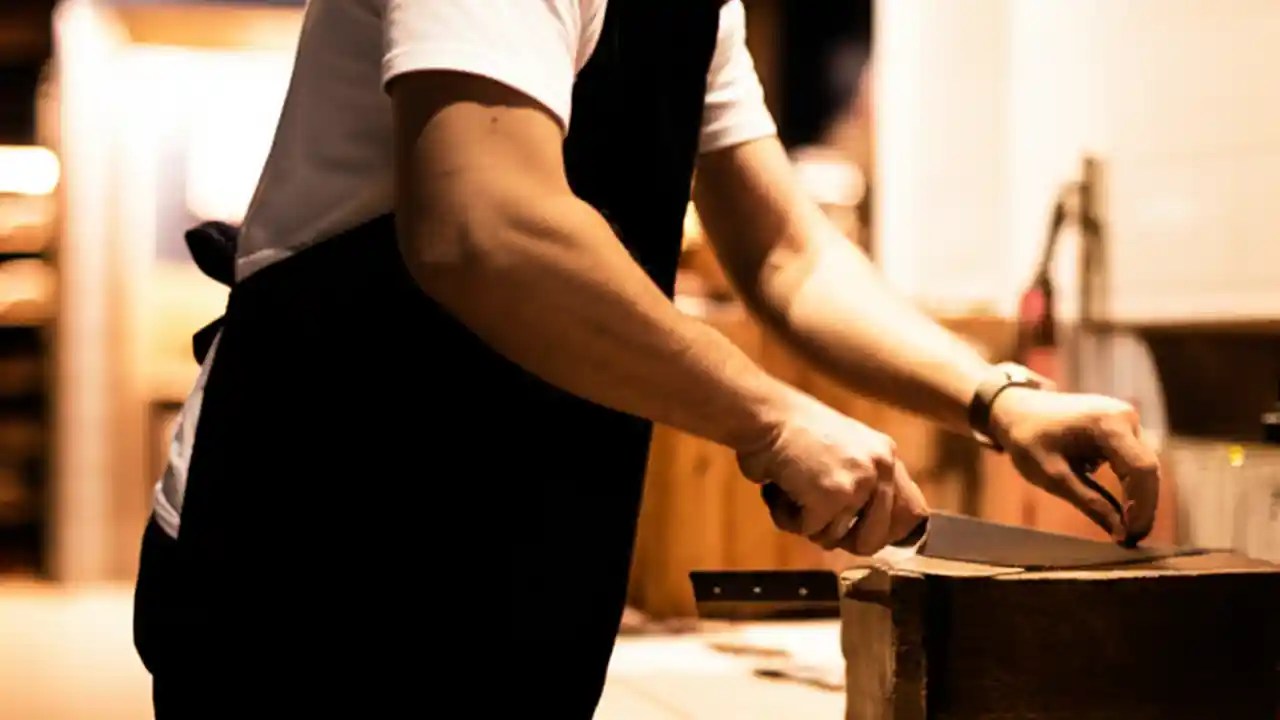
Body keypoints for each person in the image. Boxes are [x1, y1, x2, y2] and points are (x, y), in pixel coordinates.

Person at [130, 0, 1161, 717]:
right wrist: (774, 418)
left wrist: (997, 399)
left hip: (506, 565)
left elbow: (788, 255)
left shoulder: (697, 12)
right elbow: (482, 224)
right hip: (315, 556)